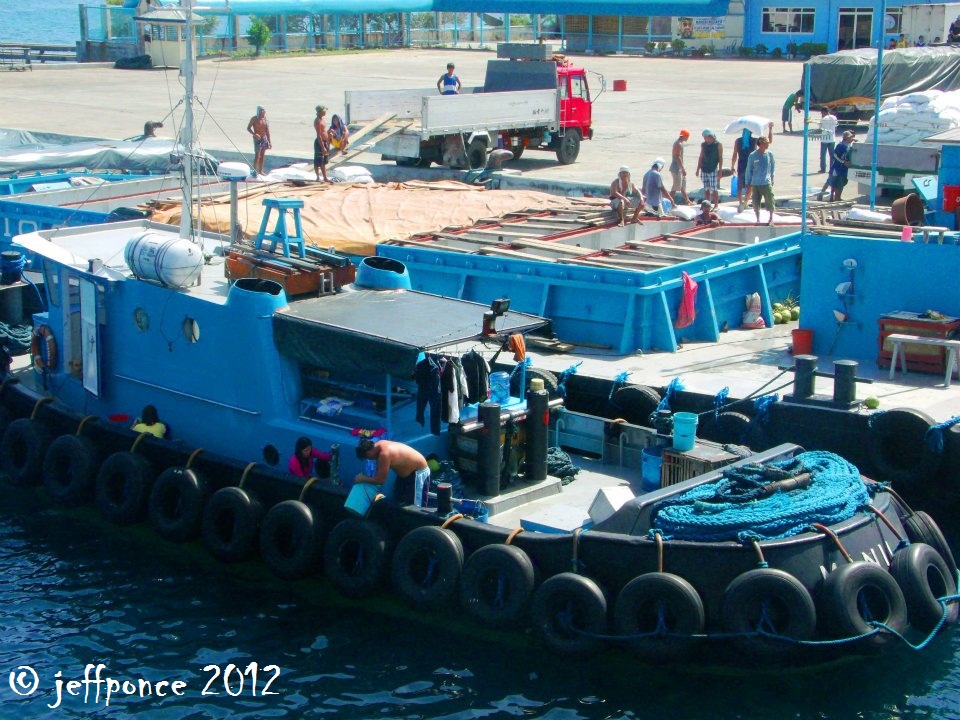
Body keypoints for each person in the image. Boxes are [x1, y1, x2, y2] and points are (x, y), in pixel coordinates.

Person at [349, 438, 429, 515]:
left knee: (416, 509)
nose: (370, 459)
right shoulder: (379, 444)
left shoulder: (384, 454)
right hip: (404, 476)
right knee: (399, 503)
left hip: (418, 473)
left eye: (367, 458)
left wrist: (361, 478)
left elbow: (380, 480)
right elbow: (378, 473)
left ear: (368, 454)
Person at [744, 136, 776, 225]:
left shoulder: (769, 154)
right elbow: (749, 169)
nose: (768, 144)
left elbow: (773, 166)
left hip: (766, 182)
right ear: (761, 143)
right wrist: (747, 182)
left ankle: (771, 218)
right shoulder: (753, 155)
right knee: (756, 202)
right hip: (755, 183)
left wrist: (772, 177)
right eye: (766, 142)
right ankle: (758, 219)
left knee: (770, 200)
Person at [730, 130, 757, 212]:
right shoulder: (754, 141)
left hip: (741, 165)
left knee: (740, 186)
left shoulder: (738, 141)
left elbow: (734, 154)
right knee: (750, 186)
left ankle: (740, 202)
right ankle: (745, 202)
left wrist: (732, 166)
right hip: (751, 166)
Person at [696, 129, 723, 207]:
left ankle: (716, 205)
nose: (704, 139)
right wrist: (698, 169)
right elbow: (701, 157)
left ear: (710, 137)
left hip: (713, 169)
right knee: (706, 188)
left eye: (705, 137)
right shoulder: (703, 144)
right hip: (704, 169)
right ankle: (708, 204)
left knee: (714, 188)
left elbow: (720, 158)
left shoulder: (718, 144)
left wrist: (720, 170)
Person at [826, 130, 855, 202]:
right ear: (847, 138)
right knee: (836, 183)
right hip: (838, 168)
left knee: (842, 183)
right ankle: (835, 198)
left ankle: (838, 197)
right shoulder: (840, 145)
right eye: (850, 137)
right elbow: (835, 155)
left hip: (844, 168)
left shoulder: (848, 145)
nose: (852, 138)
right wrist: (843, 162)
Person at [669, 129, 692, 205]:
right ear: (684, 136)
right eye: (687, 136)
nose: (688, 138)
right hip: (676, 169)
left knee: (682, 186)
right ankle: (669, 202)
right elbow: (677, 157)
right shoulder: (678, 144)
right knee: (675, 187)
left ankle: (687, 201)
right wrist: (683, 169)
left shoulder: (680, 143)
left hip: (679, 168)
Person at [246, 106, 271, 176]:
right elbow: (248, 128)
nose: (263, 114)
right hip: (257, 139)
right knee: (257, 155)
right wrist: (254, 134)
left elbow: (267, 131)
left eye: (264, 112)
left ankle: (260, 170)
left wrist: (269, 141)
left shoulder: (265, 119)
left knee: (262, 155)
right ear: (259, 112)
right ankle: (255, 171)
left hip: (264, 138)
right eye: (262, 112)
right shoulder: (254, 119)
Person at [313, 105, 331, 182]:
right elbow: (319, 135)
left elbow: (324, 131)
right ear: (321, 111)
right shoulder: (318, 121)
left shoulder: (322, 119)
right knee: (318, 161)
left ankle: (325, 177)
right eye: (324, 110)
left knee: (324, 162)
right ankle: (317, 177)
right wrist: (323, 147)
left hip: (324, 141)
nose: (325, 112)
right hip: (320, 142)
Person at [818, 107, 838, 173]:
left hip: (824, 139)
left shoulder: (823, 119)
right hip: (832, 139)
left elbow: (820, 129)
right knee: (832, 155)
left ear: (823, 112)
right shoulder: (834, 117)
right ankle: (831, 169)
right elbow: (836, 128)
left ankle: (823, 169)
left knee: (823, 155)